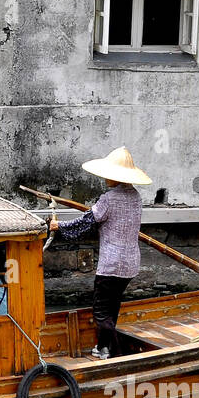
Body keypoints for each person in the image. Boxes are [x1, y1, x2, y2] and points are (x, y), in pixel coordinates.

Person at [49, 146, 151, 360]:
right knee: (112, 307)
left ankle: (116, 353)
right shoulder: (136, 197)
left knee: (101, 311)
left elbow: (87, 222)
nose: (105, 179)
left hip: (112, 264)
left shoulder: (109, 199)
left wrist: (60, 227)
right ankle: (103, 347)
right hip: (130, 264)